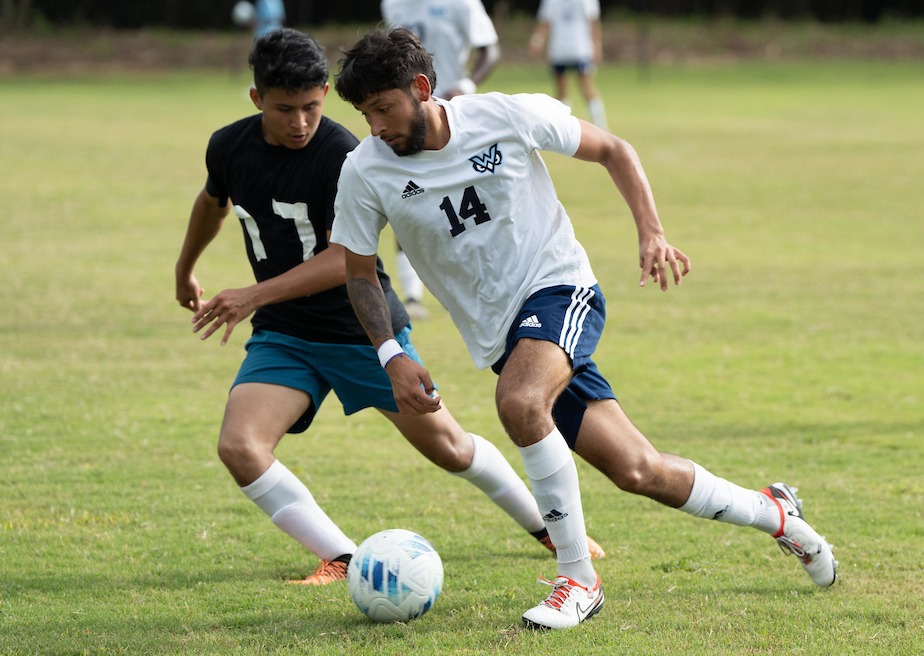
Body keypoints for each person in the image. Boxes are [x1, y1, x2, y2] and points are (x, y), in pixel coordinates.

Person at [330, 27, 838, 630]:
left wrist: (651, 232)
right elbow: (359, 272)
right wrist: (391, 353)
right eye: (365, 115)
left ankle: (578, 580)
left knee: (520, 402)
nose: (375, 127)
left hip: (560, 288)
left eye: (383, 108)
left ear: (420, 88)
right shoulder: (365, 170)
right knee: (638, 470)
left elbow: (613, 149)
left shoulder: (504, 116)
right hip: (506, 336)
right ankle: (777, 514)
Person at [174, 28, 604, 588]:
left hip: (358, 330)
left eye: (311, 107)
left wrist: (252, 295)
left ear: (324, 95)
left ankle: (545, 527)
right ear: (257, 99)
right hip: (285, 333)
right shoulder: (228, 146)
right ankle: (343, 557)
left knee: (450, 448)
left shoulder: (344, 155)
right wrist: (184, 268)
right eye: (284, 110)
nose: (300, 122)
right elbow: (213, 202)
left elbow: (345, 262)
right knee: (239, 446)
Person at [380, 0, 502, 319]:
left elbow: (490, 50)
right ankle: (412, 295)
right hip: (409, 118)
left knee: (476, 199)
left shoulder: (461, 4)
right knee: (406, 198)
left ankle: (487, 282)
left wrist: (466, 84)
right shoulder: (392, 4)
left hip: (454, 118)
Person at [528, 0, 609, 129]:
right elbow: (545, 21)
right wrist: (537, 40)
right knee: (561, 90)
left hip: (581, 48)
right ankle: (563, 128)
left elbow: (593, 21)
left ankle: (600, 126)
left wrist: (597, 45)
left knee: (586, 86)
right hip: (559, 50)